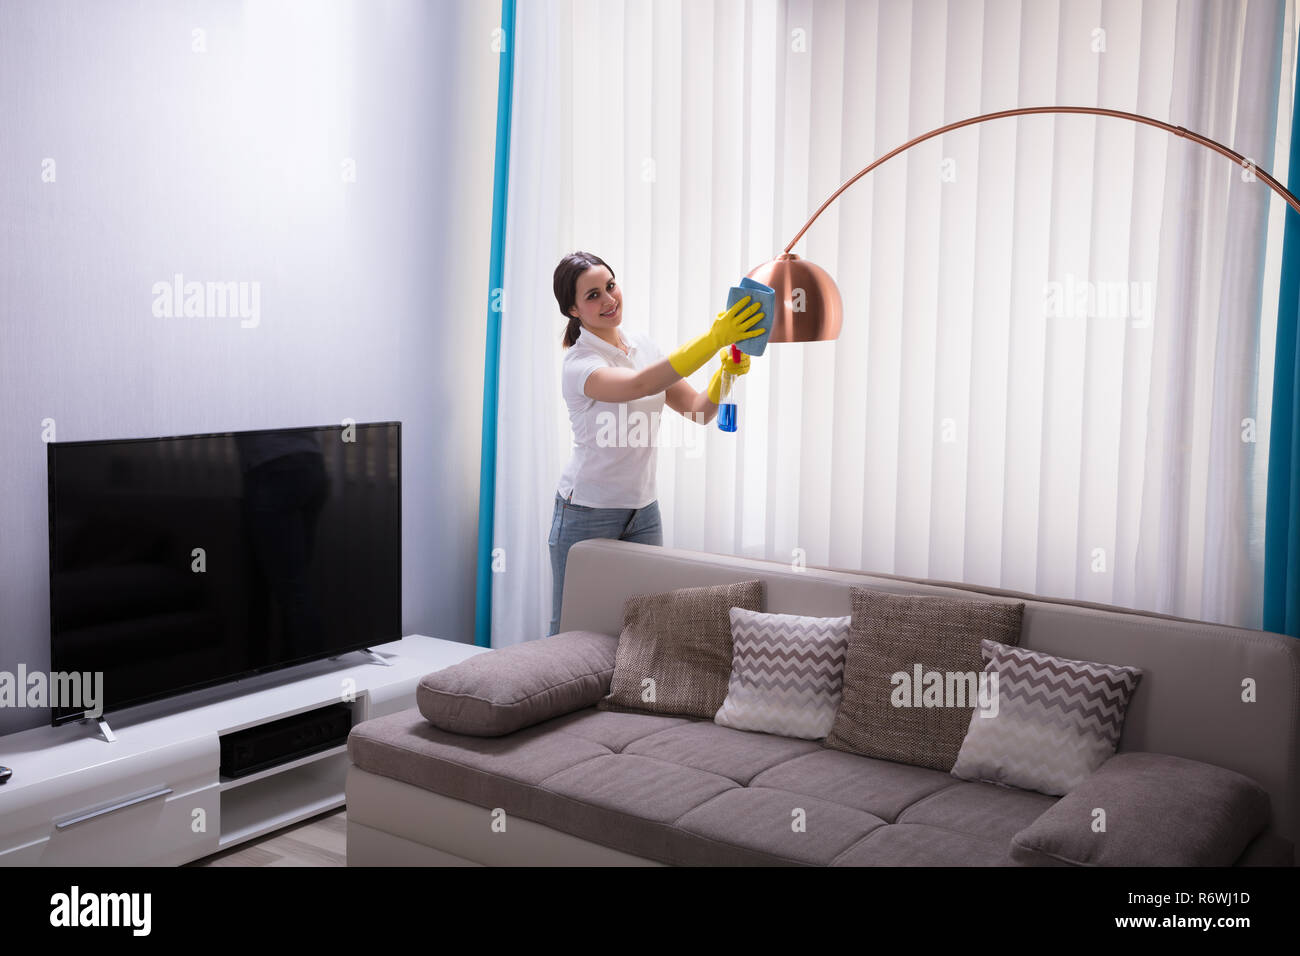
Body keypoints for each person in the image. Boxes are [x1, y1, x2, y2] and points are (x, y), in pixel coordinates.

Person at [548, 251, 764, 635]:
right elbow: (639, 385)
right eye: (593, 295)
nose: (609, 300)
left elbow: (698, 411)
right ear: (573, 310)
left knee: (646, 625)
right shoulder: (580, 364)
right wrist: (715, 338)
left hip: (643, 510)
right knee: (572, 626)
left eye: (610, 286)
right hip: (588, 512)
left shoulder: (643, 346)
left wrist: (725, 374)